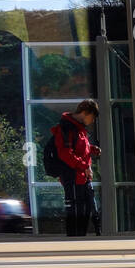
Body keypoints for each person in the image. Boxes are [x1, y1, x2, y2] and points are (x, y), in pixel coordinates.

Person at [53, 99, 101, 237]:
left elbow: (78, 148)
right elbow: (65, 153)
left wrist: (92, 149)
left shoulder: (79, 129)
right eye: (92, 117)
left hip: (82, 177)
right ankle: (74, 244)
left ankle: (81, 241)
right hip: (72, 177)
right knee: (76, 214)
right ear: (85, 113)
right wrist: (85, 166)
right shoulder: (67, 127)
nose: (92, 121)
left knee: (85, 212)